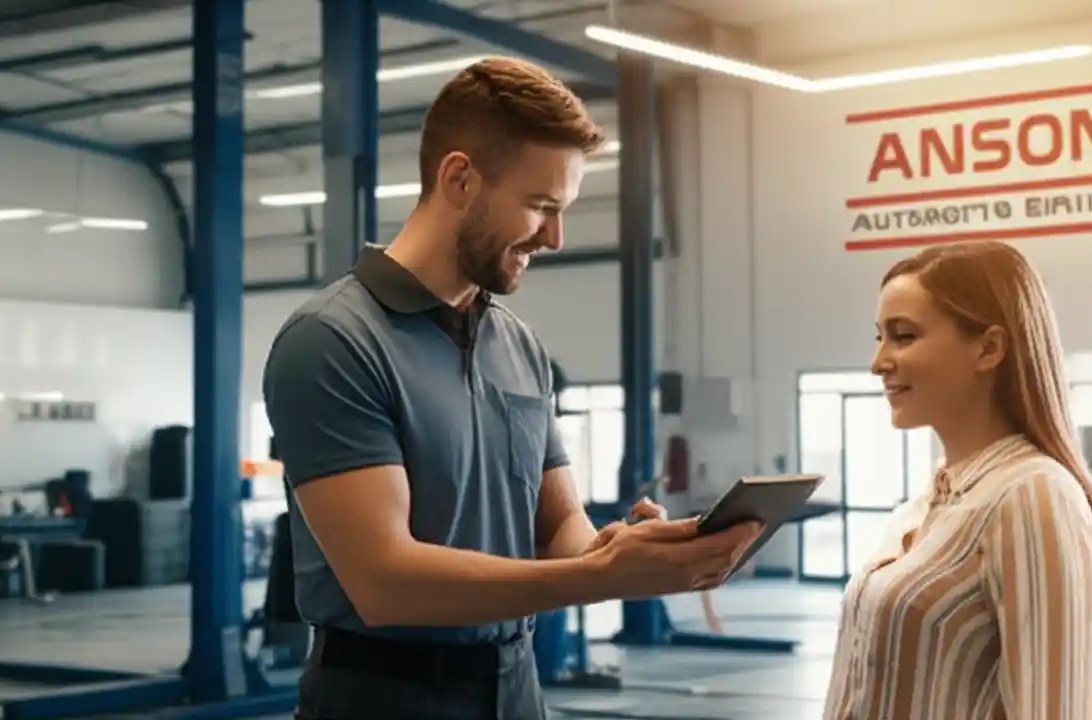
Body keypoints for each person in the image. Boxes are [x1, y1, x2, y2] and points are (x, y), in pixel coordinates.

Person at [262, 57, 761, 720]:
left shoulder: (519, 345)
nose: (554, 237)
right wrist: (598, 577)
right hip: (382, 699)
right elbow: (384, 582)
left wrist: (625, 551)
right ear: (460, 179)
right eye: (539, 206)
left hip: (516, 688)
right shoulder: (332, 341)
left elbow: (557, 526)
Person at [823, 240, 1092, 720]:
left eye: (903, 336)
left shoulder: (1032, 496)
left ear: (988, 348)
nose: (878, 361)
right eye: (879, 337)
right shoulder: (922, 507)